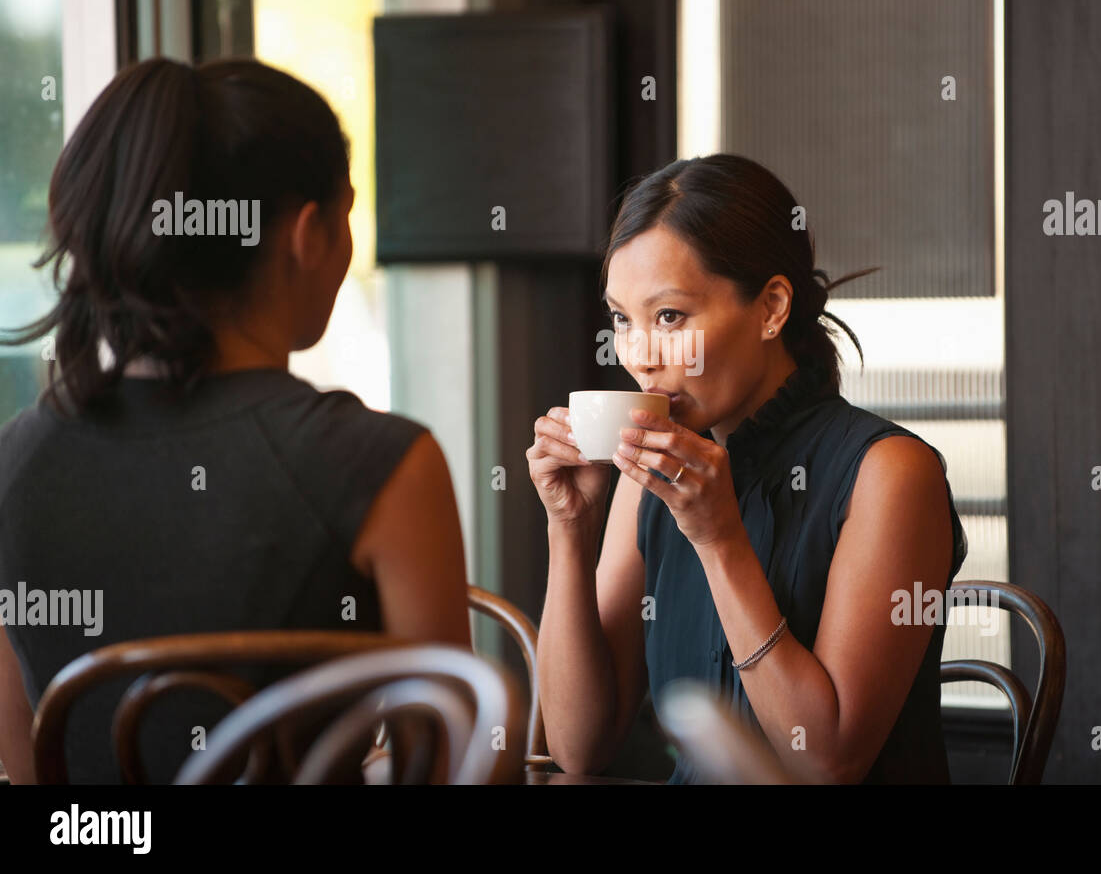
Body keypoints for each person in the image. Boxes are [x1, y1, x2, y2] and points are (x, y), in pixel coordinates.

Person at [0, 58, 470, 784]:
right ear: (308, 233)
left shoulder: (15, 463)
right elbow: (444, 764)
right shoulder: (386, 464)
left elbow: (28, 765)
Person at [528, 154, 968, 783]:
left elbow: (826, 762)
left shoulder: (889, 474)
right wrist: (570, 530)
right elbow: (578, 746)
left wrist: (719, 540)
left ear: (771, 309)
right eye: (623, 320)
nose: (640, 358)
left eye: (670, 317)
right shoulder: (648, 479)